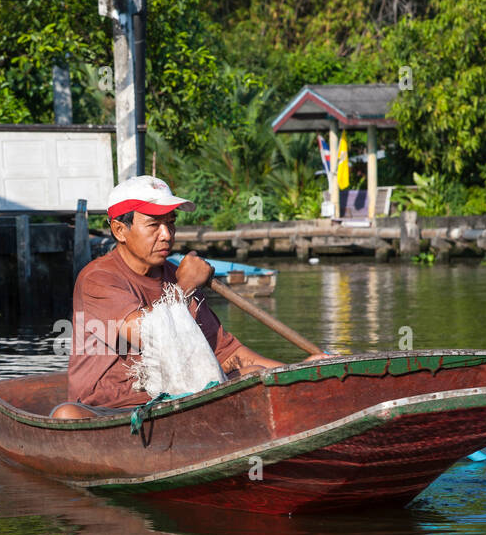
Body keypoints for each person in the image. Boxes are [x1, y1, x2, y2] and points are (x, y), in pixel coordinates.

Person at [52, 175, 331, 419]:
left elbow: (228, 352)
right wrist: (184, 285)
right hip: (113, 408)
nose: (167, 235)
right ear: (119, 230)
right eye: (154, 225)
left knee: (254, 375)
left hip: (176, 398)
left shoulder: (176, 276)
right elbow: (148, 333)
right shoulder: (98, 278)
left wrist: (297, 373)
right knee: (67, 414)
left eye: (171, 223)